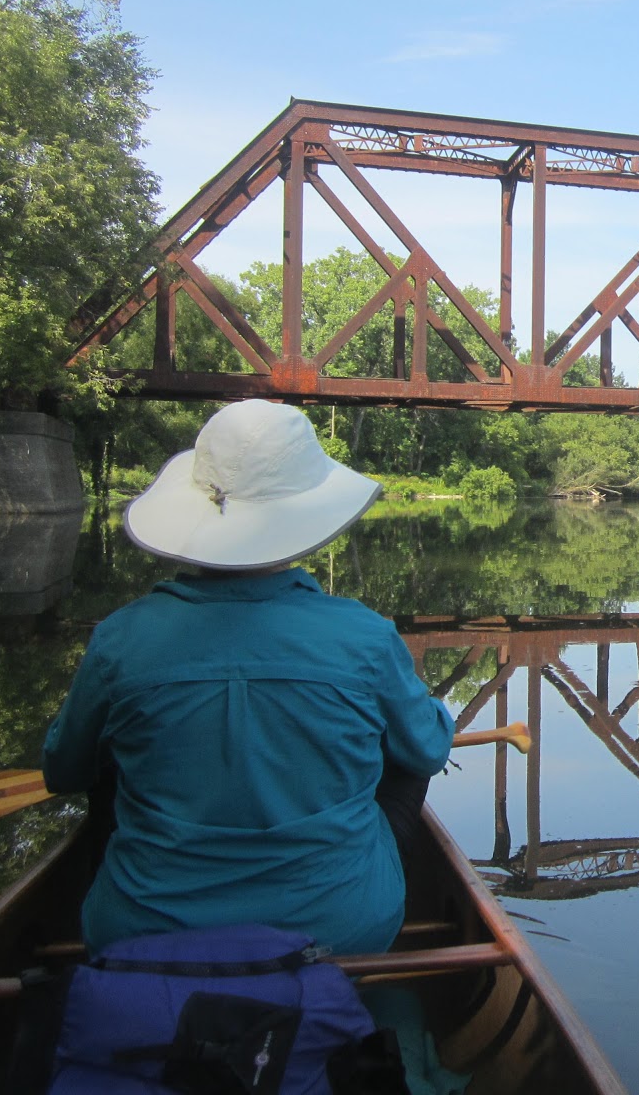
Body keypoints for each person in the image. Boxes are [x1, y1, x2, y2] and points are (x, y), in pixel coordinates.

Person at [43, 399, 454, 957]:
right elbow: (429, 752)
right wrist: (431, 717)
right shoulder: (365, 637)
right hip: (340, 932)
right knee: (409, 753)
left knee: (106, 759)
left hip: (143, 931)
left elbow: (64, 770)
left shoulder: (120, 638)